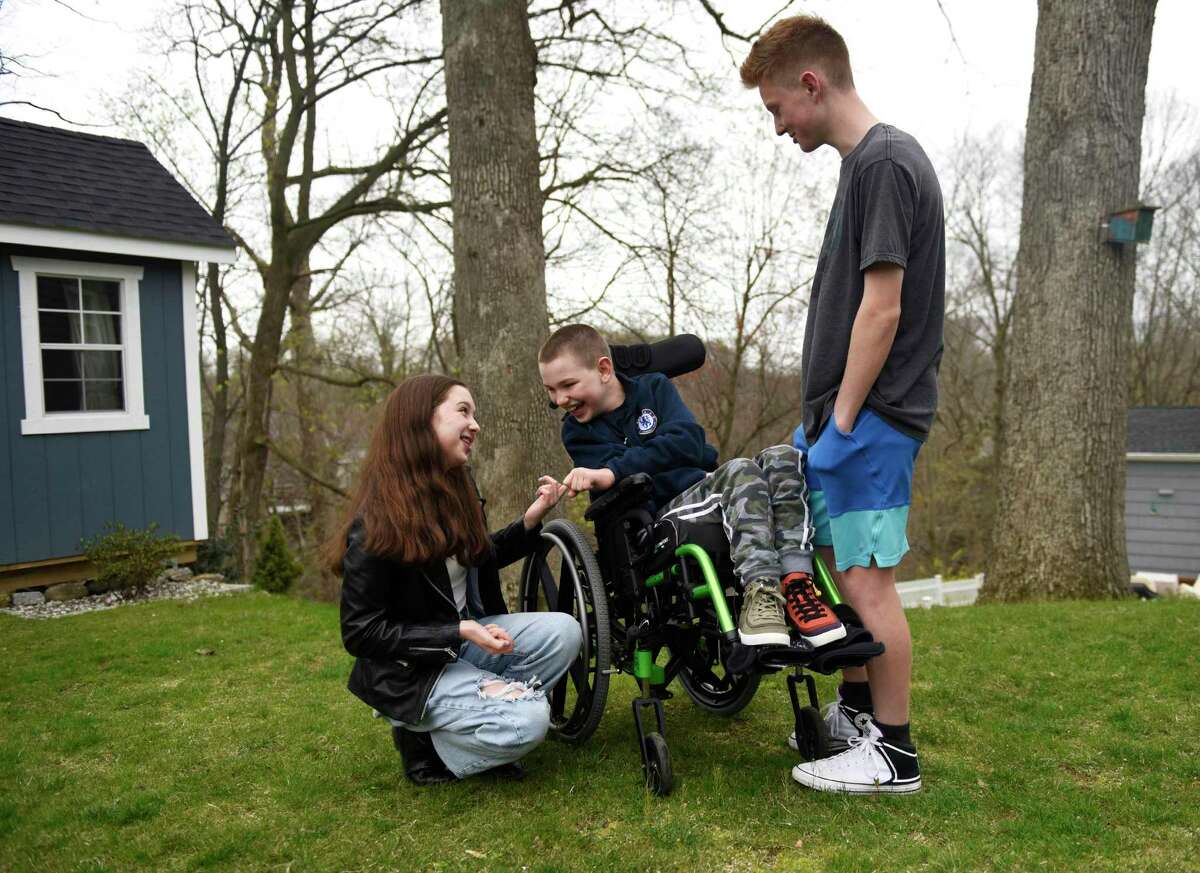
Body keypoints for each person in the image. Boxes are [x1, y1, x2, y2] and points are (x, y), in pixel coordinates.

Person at [740, 14, 945, 794]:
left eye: (776, 109)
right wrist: (821, 421)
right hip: (845, 420)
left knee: (866, 582)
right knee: (839, 569)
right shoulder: (864, 167)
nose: (778, 127)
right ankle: (858, 714)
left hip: (874, 419)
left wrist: (847, 421)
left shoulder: (886, 163)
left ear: (811, 84)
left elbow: (883, 307)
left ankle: (894, 754)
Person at [326, 374, 581, 785]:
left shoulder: (457, 487)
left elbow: (480, 556)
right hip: (414, 672)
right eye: (463, 411)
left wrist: (532, 519)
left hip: (463, 647)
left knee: (565, 632)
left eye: (474, 414)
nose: (475, 424)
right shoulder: (375, 523)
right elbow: (360, 632)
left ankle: (483, 712)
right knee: (529, 723)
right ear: (420, 422)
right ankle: (425, 744)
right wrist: (457, 630)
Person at [537, 323, 845, 650]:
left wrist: (615, 469)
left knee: (784, 457)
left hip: (704, 491)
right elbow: (660, 464)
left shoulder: (653, 388)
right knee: (739, 470)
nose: (560, 399)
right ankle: (761, 590)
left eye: (568, 385)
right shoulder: (576, 432)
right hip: (657, 519)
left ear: (603, 369)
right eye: (551, 391)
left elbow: (690, 441)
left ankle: (797, 584)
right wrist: (636, 466)